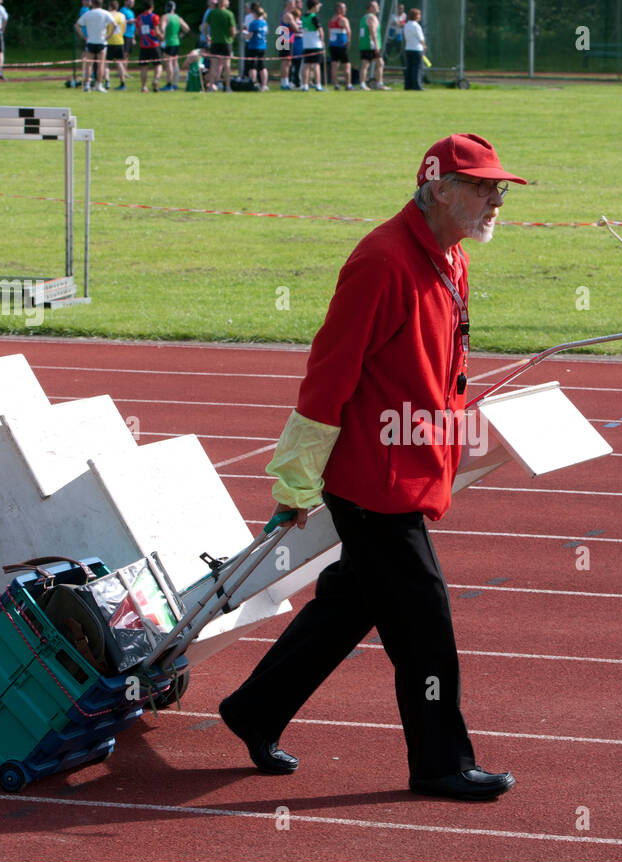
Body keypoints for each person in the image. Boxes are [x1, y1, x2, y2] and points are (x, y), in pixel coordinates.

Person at [217, 134, 526, 802]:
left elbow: (436, 369)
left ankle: (255, 708)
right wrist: (295, 480)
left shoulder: (451, 258)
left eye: (500, 187)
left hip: (410, 469)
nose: (496, 198)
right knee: (424, 624)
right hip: (371, 485)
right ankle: (440, 762)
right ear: (439, 187)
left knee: (351, 604)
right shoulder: (381, 261)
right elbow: (328, 378)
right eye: (482, 186)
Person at [78, 0, 117, 92]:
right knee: (101, 64)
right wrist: (109, 35)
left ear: (93, 3)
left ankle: (87, 85)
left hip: (90, 41)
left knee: (89, 64)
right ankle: (99, 85)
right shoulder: (105, 13)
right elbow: (115, 25)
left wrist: (83, 36)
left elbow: (77, 25)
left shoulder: (88, 14)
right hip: (101, 42)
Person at [205, 0, 236, 90]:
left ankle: (211, 86)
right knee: (227, 66)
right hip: (226, 43)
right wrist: (232, 38)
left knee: (213, 65)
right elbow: (233, 30)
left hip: (215, 42)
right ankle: (227, 87)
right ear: (225, 3)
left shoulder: (212, 13)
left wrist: (207, 36)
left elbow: (205, 26)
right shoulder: (229, 14)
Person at [159, 0, 189, 90]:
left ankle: (169, 84)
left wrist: (161, 37)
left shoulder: (165, 17)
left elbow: (162, 29)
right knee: (175, 63)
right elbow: (187, 29)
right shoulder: (178, 17)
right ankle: (175, 84)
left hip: (168, 42)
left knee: (168, 64)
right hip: (176, 42)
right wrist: (180, 36)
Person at [136, 0, 163, 90]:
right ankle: (155, 80)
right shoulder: (154, 17)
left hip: (144, 45)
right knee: (158, 65)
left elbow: (138, 32)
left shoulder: (139, 17)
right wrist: (161, 37)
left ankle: (144, 86)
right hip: (154, 44)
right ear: (152, 6)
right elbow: (156, 30)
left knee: (144, 67)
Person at [358, 1, 385, 89]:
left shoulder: (363, 17)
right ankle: (379, 83)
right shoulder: (372, 18)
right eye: (375, 6)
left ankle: (363, 84)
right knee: (379, 63)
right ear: (370, 8)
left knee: (366, 64)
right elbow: (372, 31)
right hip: (371, 45)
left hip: (364, 44)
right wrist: (376, 45)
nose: (377, 7)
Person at [242, 3, 268, 90]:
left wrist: (244, 34)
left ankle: (253, 84)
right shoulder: (264, 23)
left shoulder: (254, 23)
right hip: (263, 46)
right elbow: (266, 33)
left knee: (252, 66)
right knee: (262, 66)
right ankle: (264, 85)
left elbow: (249, 35)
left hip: (253, 46)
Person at [299, 0, 323, 90]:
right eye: (318, 5)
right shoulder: (314, 17)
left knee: (306, 65)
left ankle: (305, 85)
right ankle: (318, 85)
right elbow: (321, 31)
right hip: (315, 45)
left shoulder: (303, 17)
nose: (319, 7)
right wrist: (322, 41)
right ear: (314, 6)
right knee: (316, 65)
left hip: (306, 45)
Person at [327, 2, 350, 90]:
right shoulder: (343, 19)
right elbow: (349, 31)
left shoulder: (332, 19)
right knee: (346, 65)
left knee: (334, 65)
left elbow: (329, 33)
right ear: (339, 10)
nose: (345, 10)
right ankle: (348, 85)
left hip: (333, 46)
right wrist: (348, 41)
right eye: (344, 8)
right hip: (341, 45)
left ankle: (336, 85)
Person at [275, 0, 298, 89]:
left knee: (287, 62)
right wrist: (295, 21)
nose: (295, 6)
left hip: (284, 39)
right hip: (286, 40)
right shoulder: (288, 15)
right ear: (288, 5)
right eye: (293, 4)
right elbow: (296, 28)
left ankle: (286, 82)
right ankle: (284, 84)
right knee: (286, 63)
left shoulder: (284, 14)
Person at [106, 0, 129, 88]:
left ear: (110, 6)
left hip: (109, 41)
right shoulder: (122, 16)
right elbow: (125, 29)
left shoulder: (107, 15)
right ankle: (122, 83)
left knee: (106, 63)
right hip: (119, 41)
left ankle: (107, 81)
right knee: (119, 63)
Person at [403, 6, 424, 90]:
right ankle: (417, 85)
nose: (420, 16)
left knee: (409, 68)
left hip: (408, 49)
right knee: (417, 68)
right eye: (419, 15)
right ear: (415, 16)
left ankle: (408, 85)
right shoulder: (416, 26)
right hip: (416, 49)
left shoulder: (406, 25)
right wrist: (424, 47)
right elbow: (421, 39)